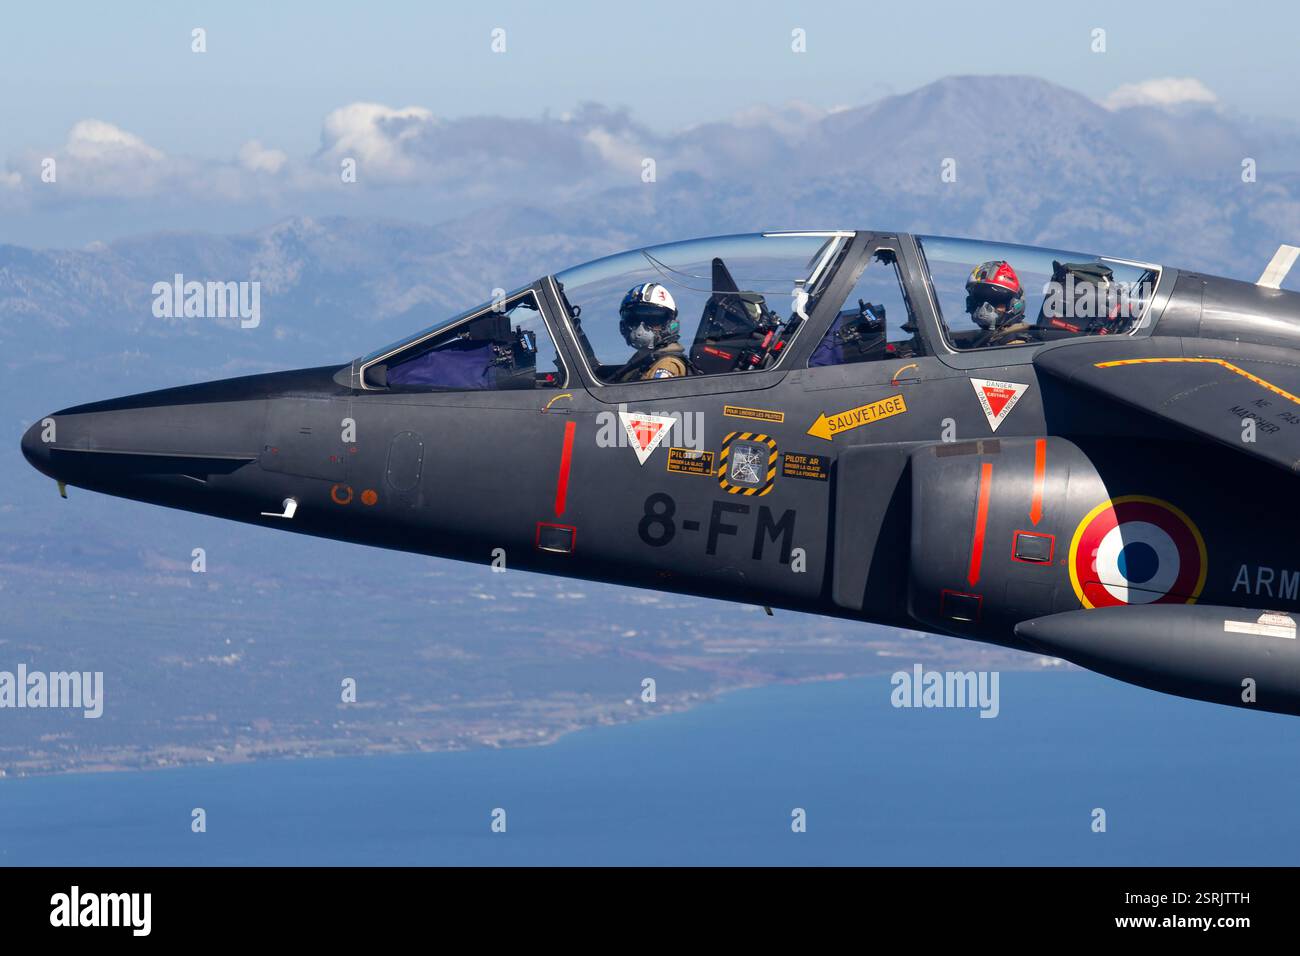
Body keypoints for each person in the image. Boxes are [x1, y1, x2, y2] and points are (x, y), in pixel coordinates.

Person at [612, 282, 690, 381]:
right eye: (634, 320)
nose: (641, 329)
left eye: (652, 320)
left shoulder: (667, 365)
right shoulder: (643, 358)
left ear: (669, 324)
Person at [966, 260, 1032, 347]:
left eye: (996, 299)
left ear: (1015, 304)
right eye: (980, 298)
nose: (984, 307)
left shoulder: (1014, 346)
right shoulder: (991, 337)